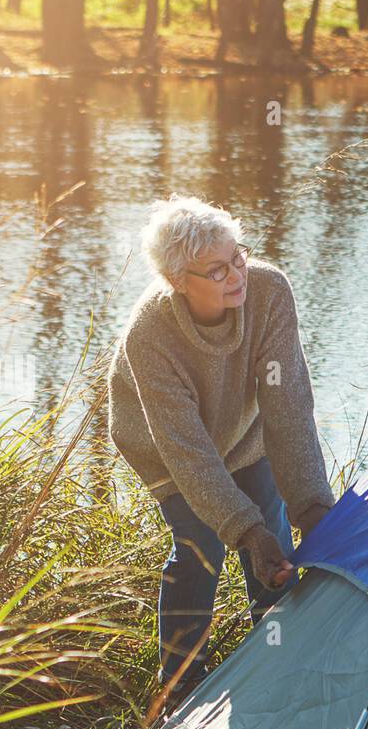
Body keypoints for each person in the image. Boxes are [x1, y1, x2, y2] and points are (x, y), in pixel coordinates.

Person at [107, 195, 334, 703]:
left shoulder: (270, 292)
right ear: (177, 280)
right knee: (202, 544)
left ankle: (280, 666)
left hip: (242, 430)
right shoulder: (151, 335)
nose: (237, 274)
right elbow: (187, 451)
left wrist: (312, 507)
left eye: (239, 257)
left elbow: (288, 405)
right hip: (161, 442)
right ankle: (182, 689)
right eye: (217, 270)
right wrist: (244, 532)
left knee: (275, 531)